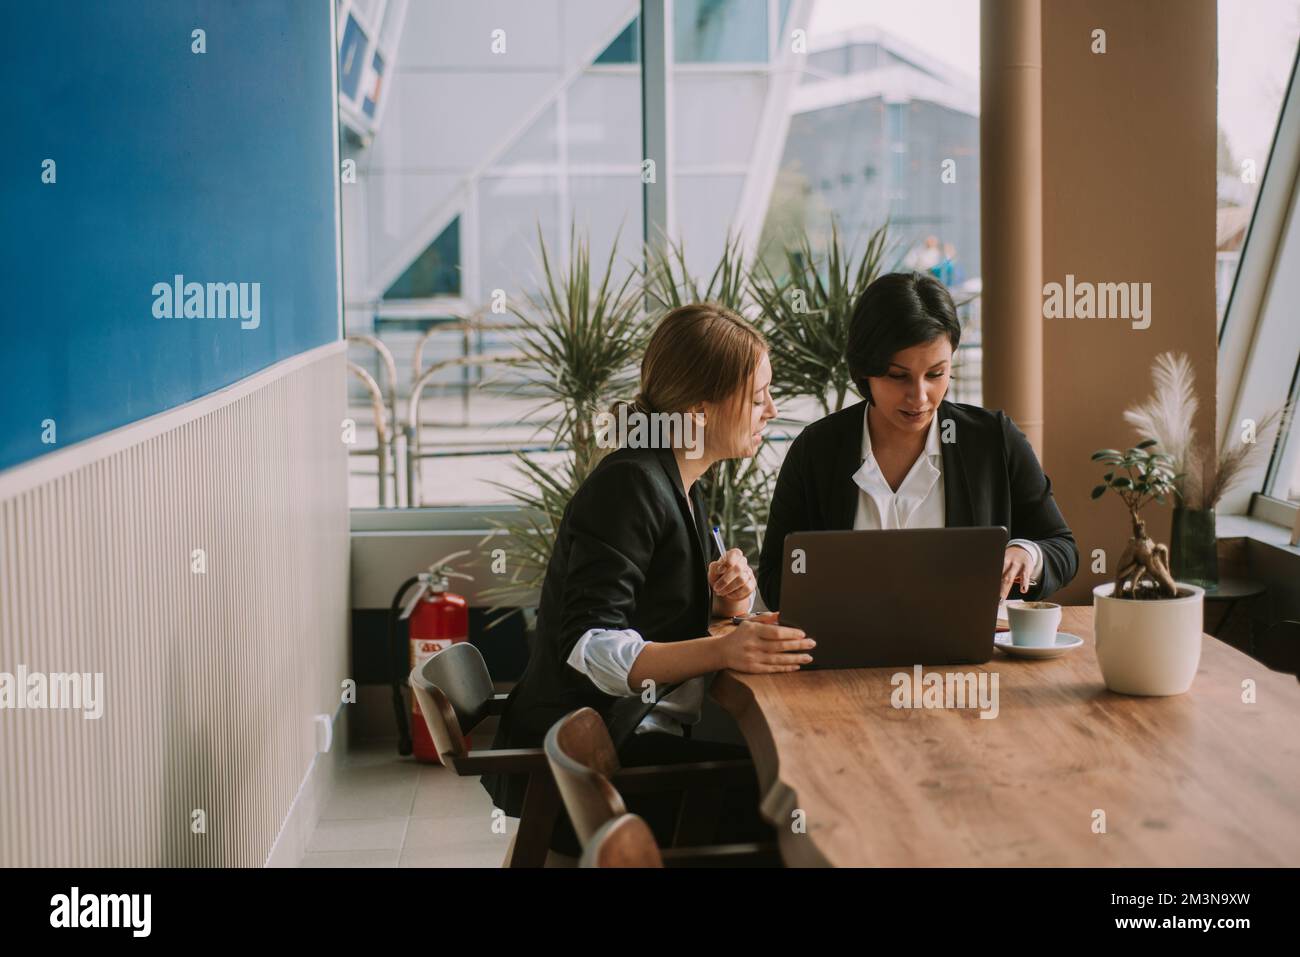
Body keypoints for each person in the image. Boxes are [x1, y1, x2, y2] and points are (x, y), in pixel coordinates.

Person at [483, 303, 813, 855]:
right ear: (700, 409)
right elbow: (591, 645)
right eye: (757, 398)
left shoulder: (674, 477)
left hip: (626, 749)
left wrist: (724, 600)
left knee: (787, 786)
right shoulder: (632, 485)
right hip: (601, 771)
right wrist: (725, 650)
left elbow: (649, 612)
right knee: (796, 808)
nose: (772, 410)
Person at [757, 271, 1079, 612]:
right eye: (899, 376)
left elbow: (1063, 547)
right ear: (865, 369)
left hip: (965, 660)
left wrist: (1026, 553)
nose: (920, 396)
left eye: (936, 374)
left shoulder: (993, 440)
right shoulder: (817, 449)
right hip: (845, 657)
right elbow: (775, 579)